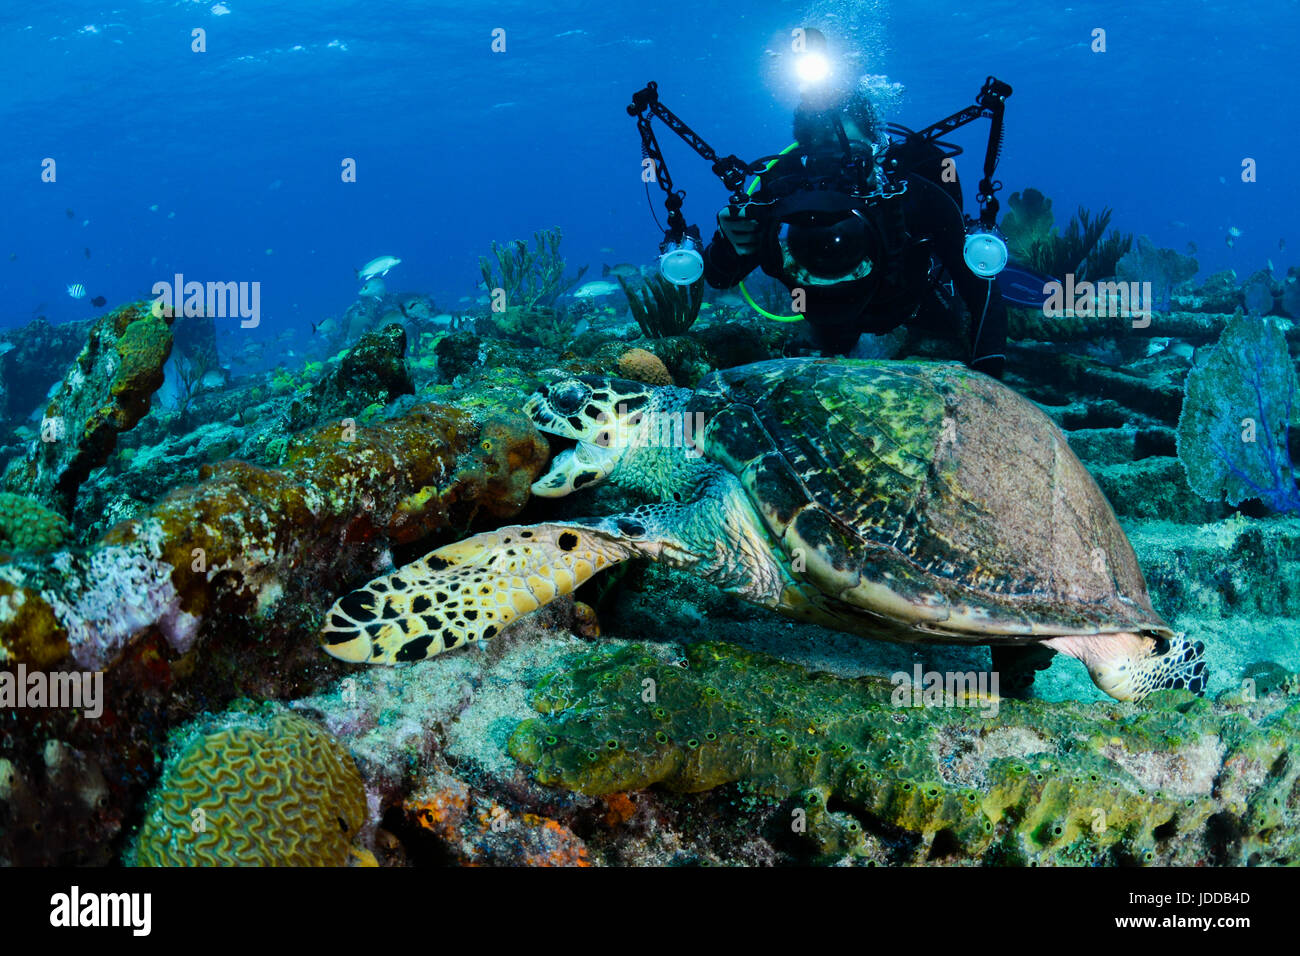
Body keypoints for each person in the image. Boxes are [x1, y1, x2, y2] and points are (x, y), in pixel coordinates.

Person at [702, 87, 1008, 379]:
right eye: (825, 160)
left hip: (906, 305)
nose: (840, 172)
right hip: (826, 317)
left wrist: (990, 375)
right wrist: (728, 242)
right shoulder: (783, 192)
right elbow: (720, 277)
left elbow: (981, 289)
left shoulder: (913, 195)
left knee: (946, 324)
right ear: (805, 160)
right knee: (834, 346)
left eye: (855, 158)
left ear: (878, 150)